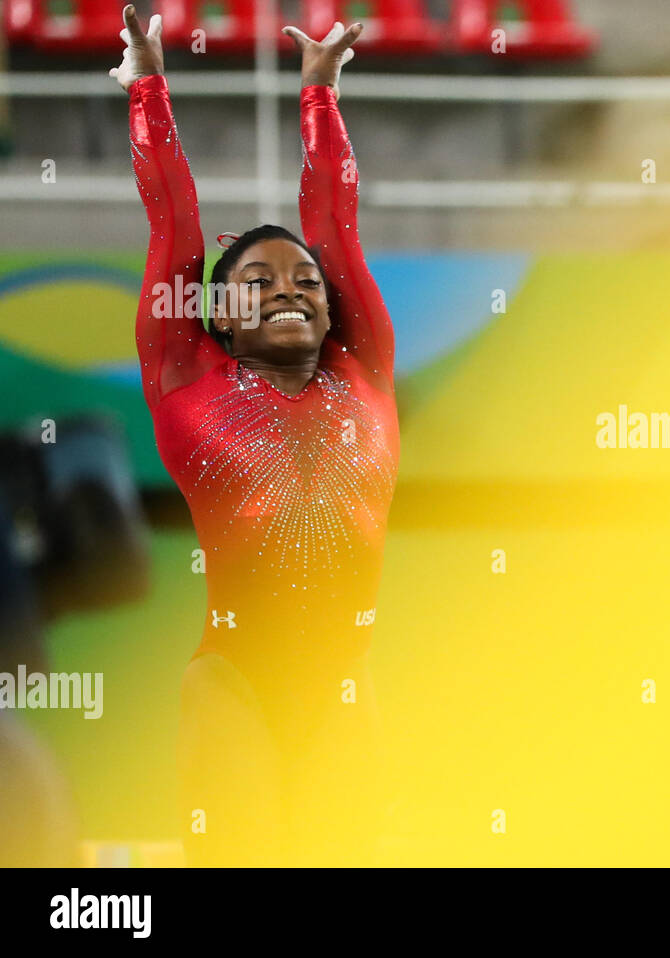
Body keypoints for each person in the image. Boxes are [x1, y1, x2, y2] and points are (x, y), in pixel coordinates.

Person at [111, 5, 398, 865]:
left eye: (306, 281)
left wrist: (320, 94)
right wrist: (149, 85)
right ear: (215, 319)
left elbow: (337, 225)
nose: (291, 288)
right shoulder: (188, 377)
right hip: (234, 688)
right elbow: (173, 221)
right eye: (257, 279)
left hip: (348, 690)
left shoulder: (365, 374)